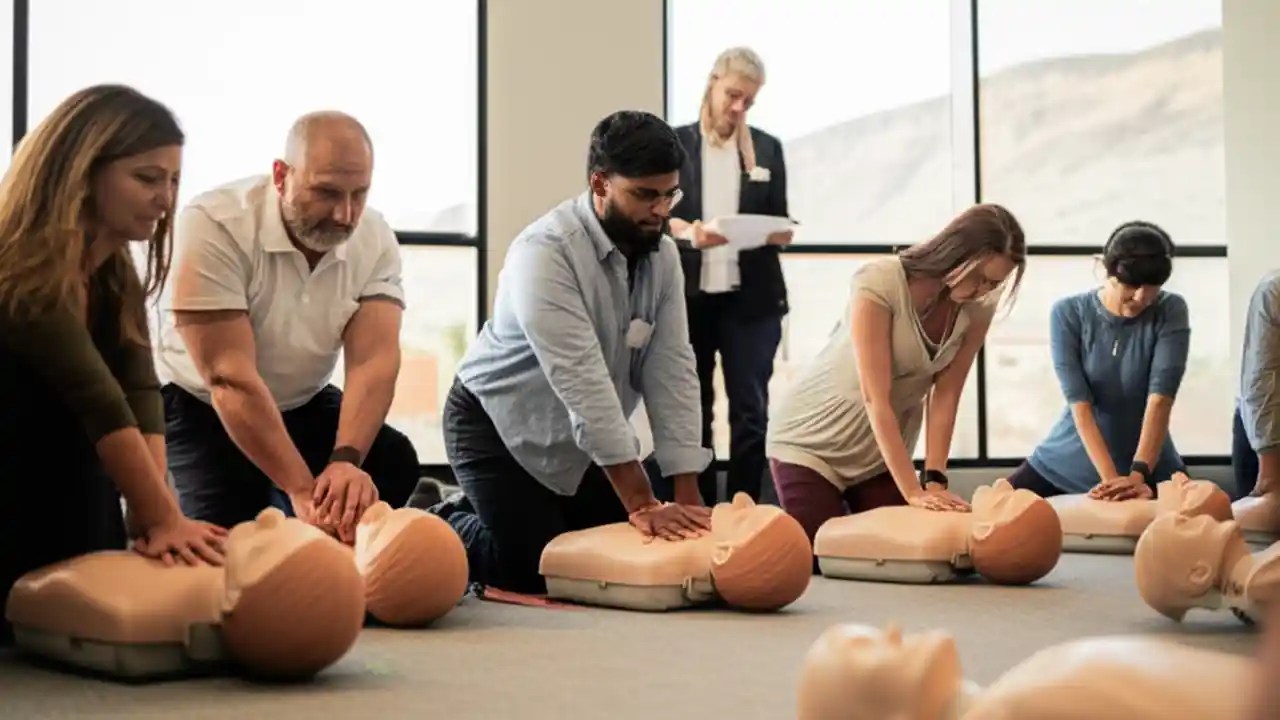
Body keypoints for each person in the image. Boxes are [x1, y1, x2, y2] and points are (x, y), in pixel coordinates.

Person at [430, 110, 714, 594]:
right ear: (599, 183)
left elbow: (673, 369)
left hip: (577, 442)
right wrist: (643, 502)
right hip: (496, 426)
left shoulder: (663, 256)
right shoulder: (545, 252)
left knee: (608, 550)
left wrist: (686, 495)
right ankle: (440, 518)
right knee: (532, 568)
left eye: (670, 195)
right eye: (644, 195)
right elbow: (583, 383)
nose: (660, 211)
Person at [0, 85, 226, 643]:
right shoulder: (23, 269)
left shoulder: (112, 270)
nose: (167, 198)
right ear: (81, 172)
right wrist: (164, 519)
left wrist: (155, 515)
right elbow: (98, 401)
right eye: (147, 179)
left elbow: (140, 394)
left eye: (173, 180)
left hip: (55, 466)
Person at [155, 111, 419, 544]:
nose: (344, 214)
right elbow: (229, 377)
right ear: (281, 176)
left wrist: (346, 461)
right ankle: (279, 507)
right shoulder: (214, 223)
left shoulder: (373, 237)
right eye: (326, 192)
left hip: (302, 401)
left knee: (390, 463)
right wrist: (301, 488)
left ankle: (302, 528)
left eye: (360, 193)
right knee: (229, 546)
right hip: (202, 403)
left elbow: (374, 360)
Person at [766, 205, 1025, 545]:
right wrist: (912, 492)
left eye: (996, 283)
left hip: (880, 456)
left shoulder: (979, 307)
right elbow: (876, 397)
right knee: (820, 550)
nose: (984, 289)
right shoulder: (881, 280)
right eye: (980, 278)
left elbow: (946, 395)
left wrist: (933, 482)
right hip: (814, 441)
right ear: (958, 254)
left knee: (911, 544)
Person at [665, 46, 792, 504]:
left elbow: (780, 217)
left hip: (753, 300)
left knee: (750, 411)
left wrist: (778, 232)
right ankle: (694, 509)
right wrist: (689, 232)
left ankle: (744, 508)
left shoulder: (768, 149)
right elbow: (659, 214)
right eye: (733, 95)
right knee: (692, 410)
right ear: (713, 81)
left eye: (749, 102)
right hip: (690, 300)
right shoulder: (675, 146)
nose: (739, 108)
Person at [1009, 221, 1189, 501]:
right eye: (1130, 285)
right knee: (995, 505)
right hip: (1066, 460)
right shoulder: (1068, 313)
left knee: (1207, 519)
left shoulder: (1170, 309)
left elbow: (1160, 399)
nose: (1141, 297)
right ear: (1105, 270)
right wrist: (1112, 483)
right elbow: (1080, 405)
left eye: (1151, 287)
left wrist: (1136, 476)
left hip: (1150, 465)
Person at [1234, 269, 1280, 500]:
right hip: (1266, 434)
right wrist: (1270, 464)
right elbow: (1261, 377)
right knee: (1260, 526)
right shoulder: (1274, 290)